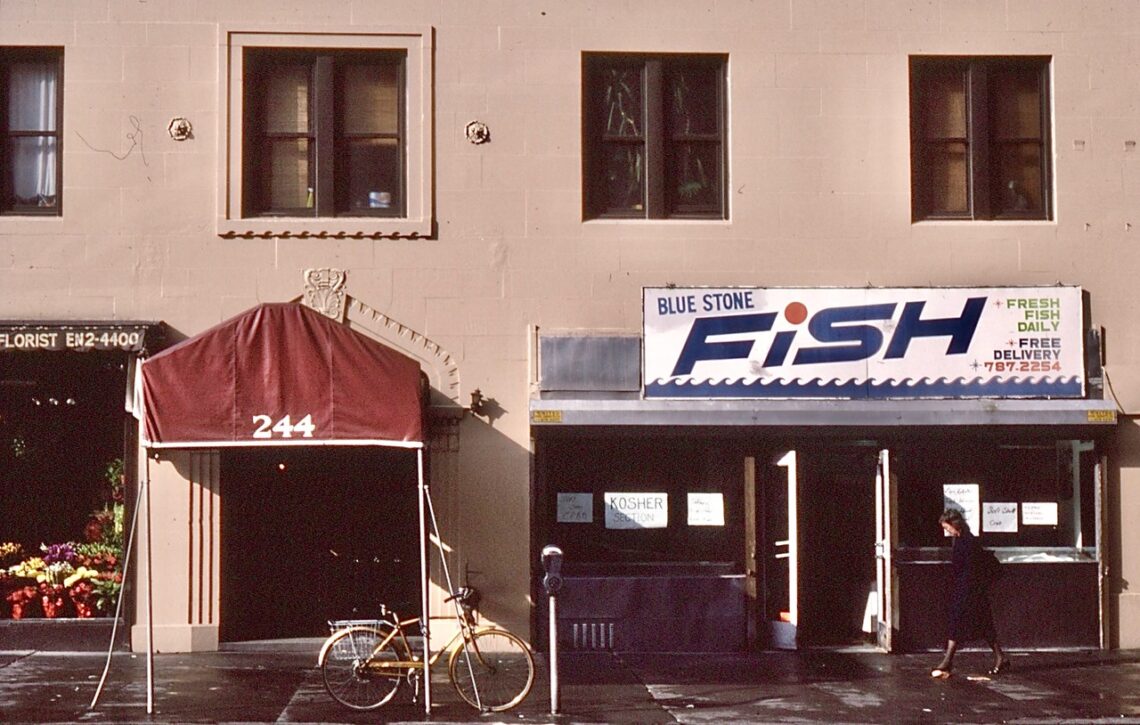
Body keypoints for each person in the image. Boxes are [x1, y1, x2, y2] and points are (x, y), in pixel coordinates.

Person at [930, 508, 1009, 678]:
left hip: (970, 591)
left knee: (961, 623)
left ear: (954, 525)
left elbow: (971, 568)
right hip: (969, 590)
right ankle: (999, 657)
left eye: (947, 527)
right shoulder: (961, 540)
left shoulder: (967, 541)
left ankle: (948, 661)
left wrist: (964, 587)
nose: (946, 531)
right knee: (981, 625)